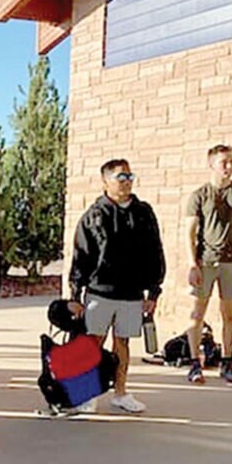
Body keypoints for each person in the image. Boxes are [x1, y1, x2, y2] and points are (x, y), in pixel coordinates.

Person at [68, 159, 165, 414]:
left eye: (129, 176)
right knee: (92, 344)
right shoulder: (94, 215)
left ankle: (121, 393)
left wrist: (153, 291)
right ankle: (87, 395)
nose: (127, 182)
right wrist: (74, 294)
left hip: (132, 293)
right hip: (100, 292)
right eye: (121, 177)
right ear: (106, 181)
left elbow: (155, 252)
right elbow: (81, 256)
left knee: (122, 344)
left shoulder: (144, 212)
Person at [184, 144, 232, 384]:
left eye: (231, 161)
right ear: (211, 164)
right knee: (197, 314)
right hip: (205, 262)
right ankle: (195, 363)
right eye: (223, 162)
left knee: (229, 315)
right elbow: (189, 233)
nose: (228, 166)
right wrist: (192, 263)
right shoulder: (199, 195)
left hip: (231, 262)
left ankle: (226, 362)